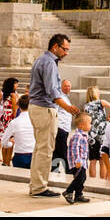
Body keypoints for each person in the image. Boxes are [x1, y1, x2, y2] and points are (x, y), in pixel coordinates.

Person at [28, 33, 77, 197]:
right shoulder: (49, 63)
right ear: (55, 47)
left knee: (39, 149)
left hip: (36, 107)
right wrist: (68, 107)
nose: (66, 53)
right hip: (44, 109)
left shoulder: (42, 60)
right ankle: (39, 188)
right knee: (45, 150)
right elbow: (52, 92)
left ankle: (35, 185)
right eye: (65, 49)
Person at [82, 86, 110, 178]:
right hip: (102, 134)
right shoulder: (100, 102)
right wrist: (109, 115)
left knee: (92, 161)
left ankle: (92, 181)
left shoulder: (86, 106)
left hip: (91, 135)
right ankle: (102, 181)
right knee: (102, 161)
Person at [64, 111, 91, 204]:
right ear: (83, 125)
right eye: (89, 123)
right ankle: (68, 191)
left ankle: (78, 194)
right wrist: (77, 160)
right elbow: (75, 149)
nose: (91, 125)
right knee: (79, 178)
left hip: (82, 162)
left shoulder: (83, 135)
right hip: (78, 163)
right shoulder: (77, 136)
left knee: (82, 178)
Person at [1, 94, 35, 168]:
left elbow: (4, 142)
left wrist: (10, 143)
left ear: (19, 106)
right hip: (34, 155)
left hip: (20, 155)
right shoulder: (36, 121)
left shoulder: (14, 122)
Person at [0, 77, 19, 165]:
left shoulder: (15, 94)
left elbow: (15, 108)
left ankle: (6, 159)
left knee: (8, 138)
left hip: (9, 117)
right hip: (4, 117)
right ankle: (3, 158)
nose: (17, 85)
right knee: (3, 137)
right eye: (15, 83)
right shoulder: (2, 93)